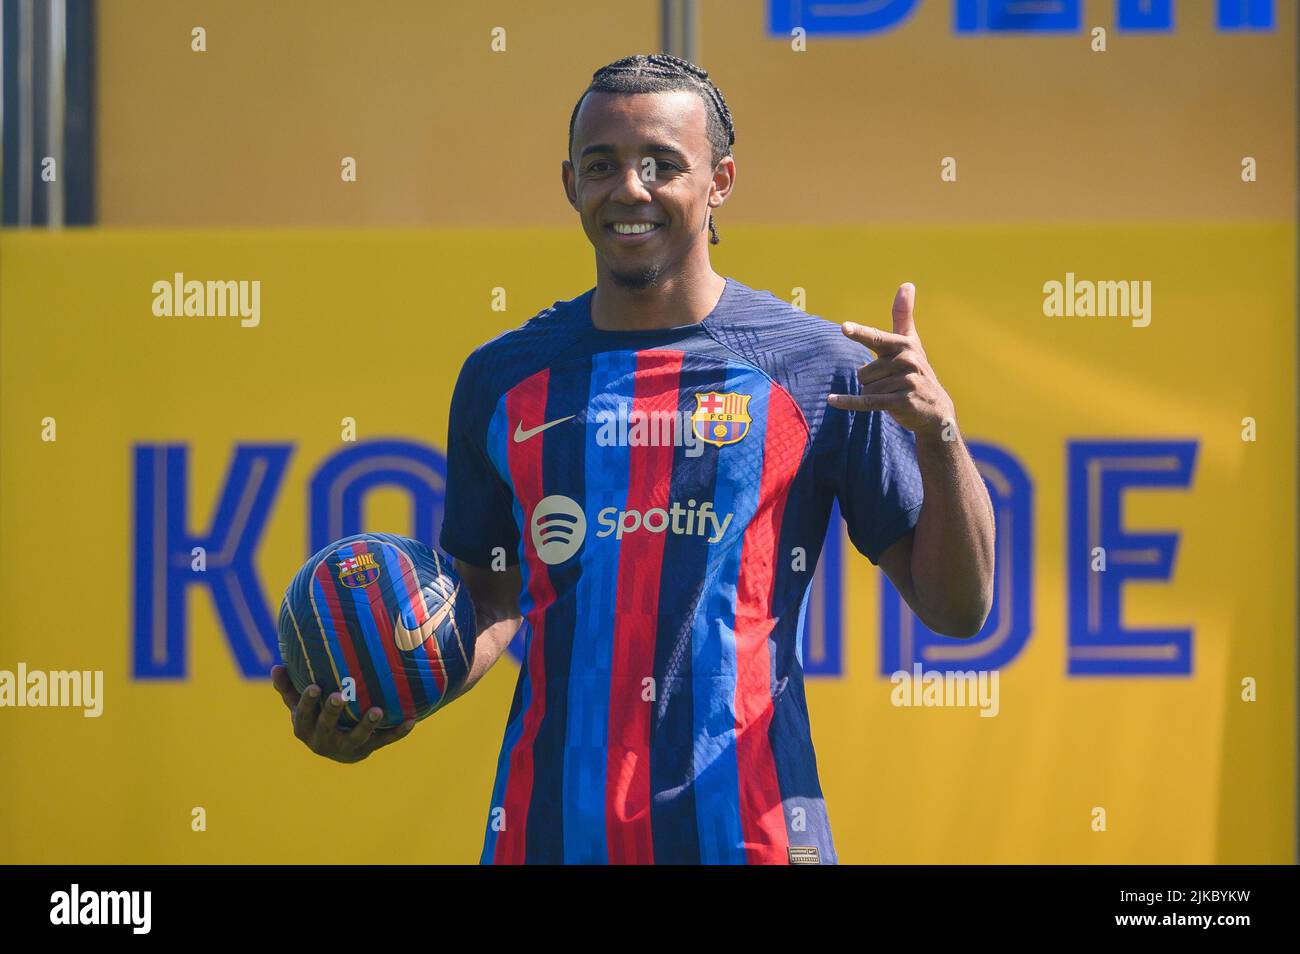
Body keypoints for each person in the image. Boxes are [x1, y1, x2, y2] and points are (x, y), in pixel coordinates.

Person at [272, 53, 995, 864]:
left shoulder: (816, 369)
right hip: (549, 835)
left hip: (751, 836)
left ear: (720, 181)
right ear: (569, 184)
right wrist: (394, 695)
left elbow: (958, 608)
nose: (630, 188)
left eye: (661, 164)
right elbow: (488, 598)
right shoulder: (501, 378)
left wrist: (940, 433)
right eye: (601, 165)